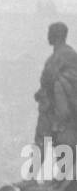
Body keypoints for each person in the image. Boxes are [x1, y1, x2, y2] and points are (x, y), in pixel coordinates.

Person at [34, 22, 77, 155]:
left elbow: (49, 78)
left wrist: (42, 93)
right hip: (58, 108)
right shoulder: (65, 54)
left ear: (55, 35)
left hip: (57, 110)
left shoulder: (63, 55)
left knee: (48, 144)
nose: (47, 36)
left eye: (49, 32)